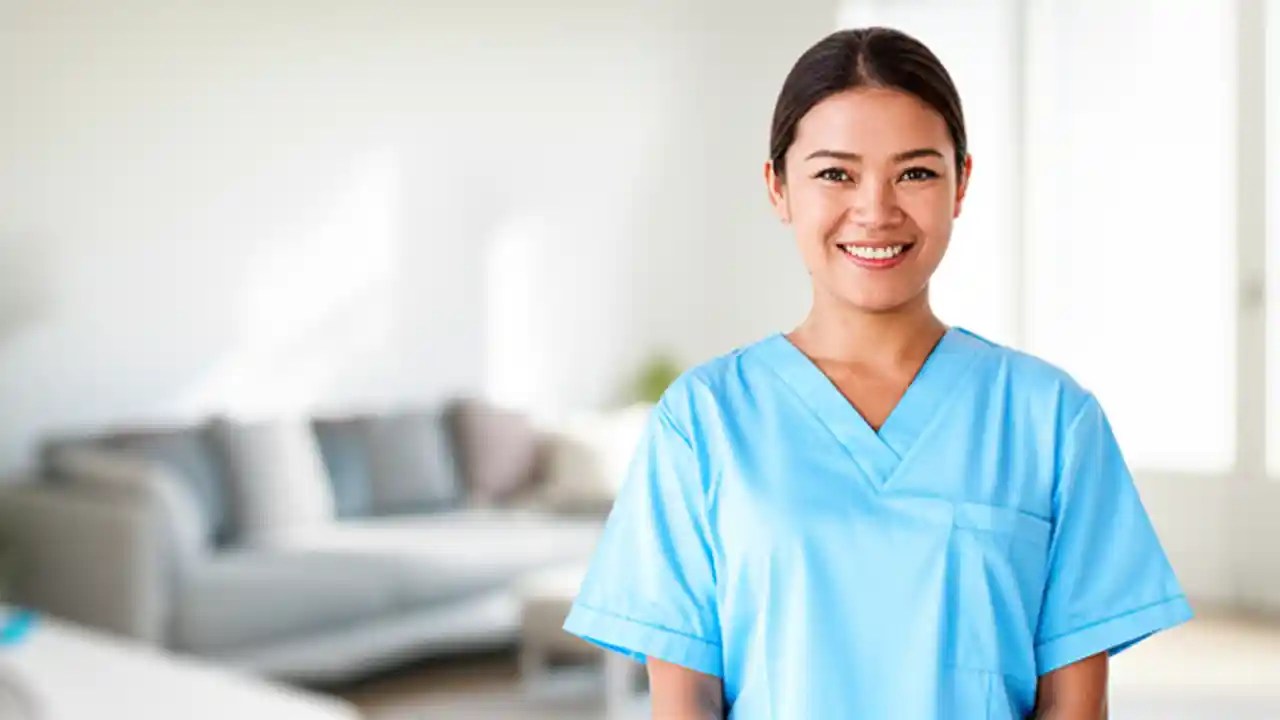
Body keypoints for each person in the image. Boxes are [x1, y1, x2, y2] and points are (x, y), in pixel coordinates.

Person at [562, 26, 1191, 719]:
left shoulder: (1052, 421)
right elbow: (685, 703)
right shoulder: (703, 421)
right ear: (778, 188)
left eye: (916, 172)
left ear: (961, 184)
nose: (876, 210)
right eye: (836, 173)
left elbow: (1075, 709)